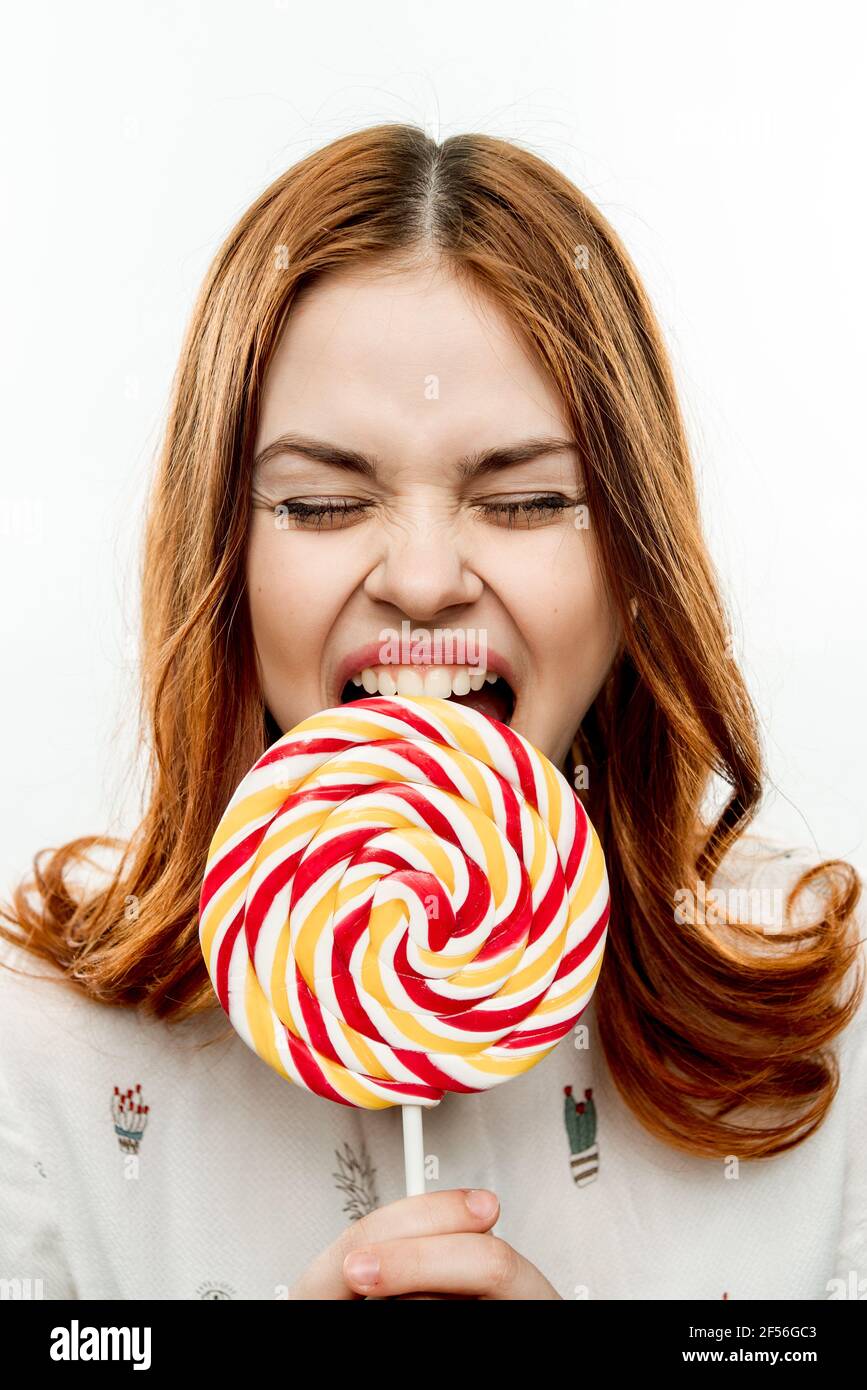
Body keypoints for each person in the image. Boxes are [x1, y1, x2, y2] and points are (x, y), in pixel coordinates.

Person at [1, 124, 864, 1302]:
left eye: (526, 499)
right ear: (223, 558)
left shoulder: (836, 1042)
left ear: (631, 563)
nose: (420, 577)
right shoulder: (33, 1064)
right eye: (318, 502)